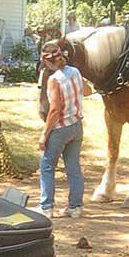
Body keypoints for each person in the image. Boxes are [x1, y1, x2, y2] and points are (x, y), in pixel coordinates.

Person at [38, 40, 91, 219]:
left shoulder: (54, 80)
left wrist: (44, 135)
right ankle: (75, 207)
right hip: (77, 125)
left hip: (61, 128)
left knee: (46, 165)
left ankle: (46, 207)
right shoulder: (75, 72)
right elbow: (88, 90)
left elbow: (54, 110)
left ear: (48, 62)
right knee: (73, 167)